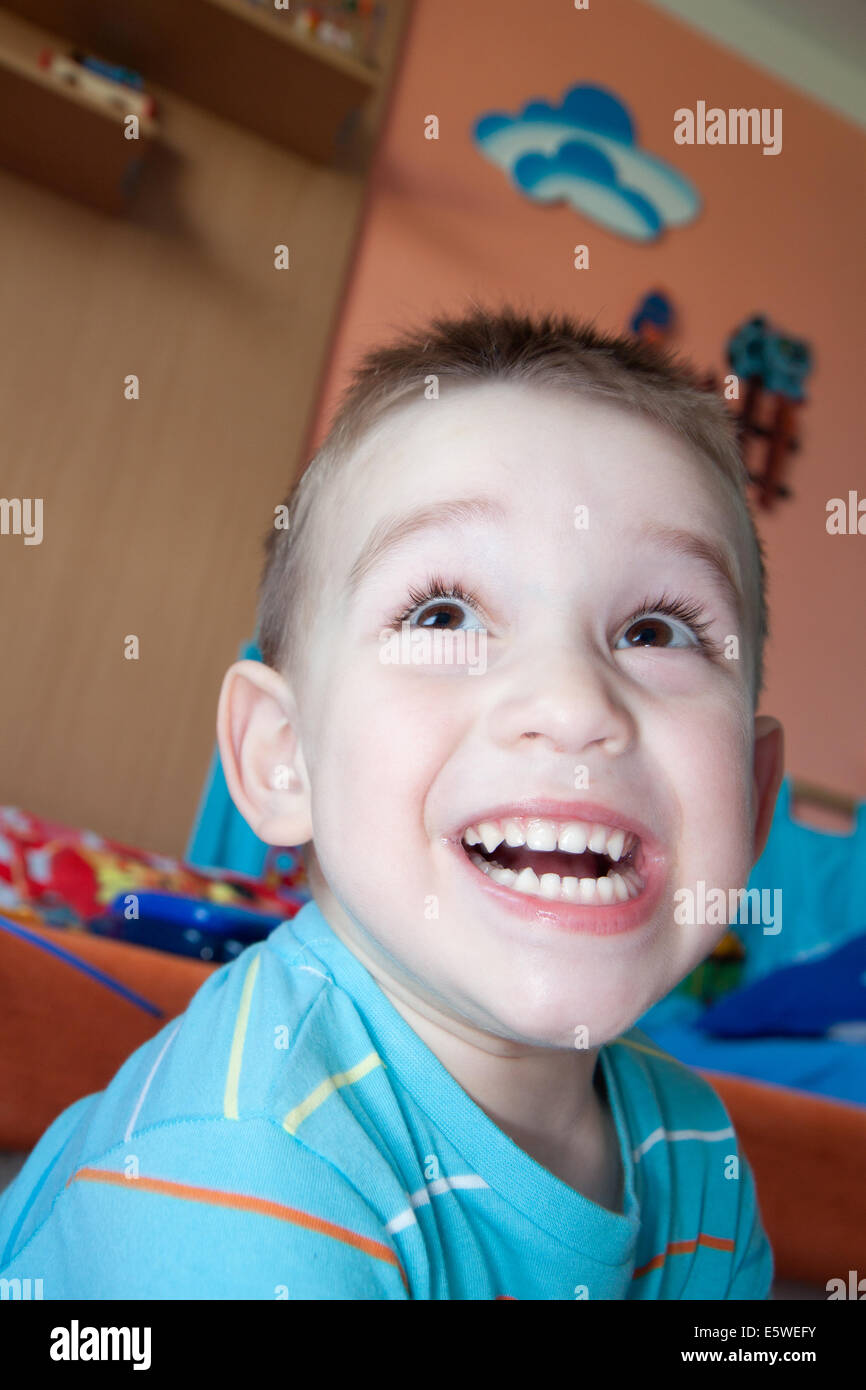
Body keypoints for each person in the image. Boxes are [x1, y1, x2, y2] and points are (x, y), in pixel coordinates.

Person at [0, 304, 784, 1298]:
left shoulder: (693, 1153)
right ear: (285, 758)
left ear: (753, 801)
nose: (571, 703)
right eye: (444, 612)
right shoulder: (245, 1166)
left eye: (656, 629)